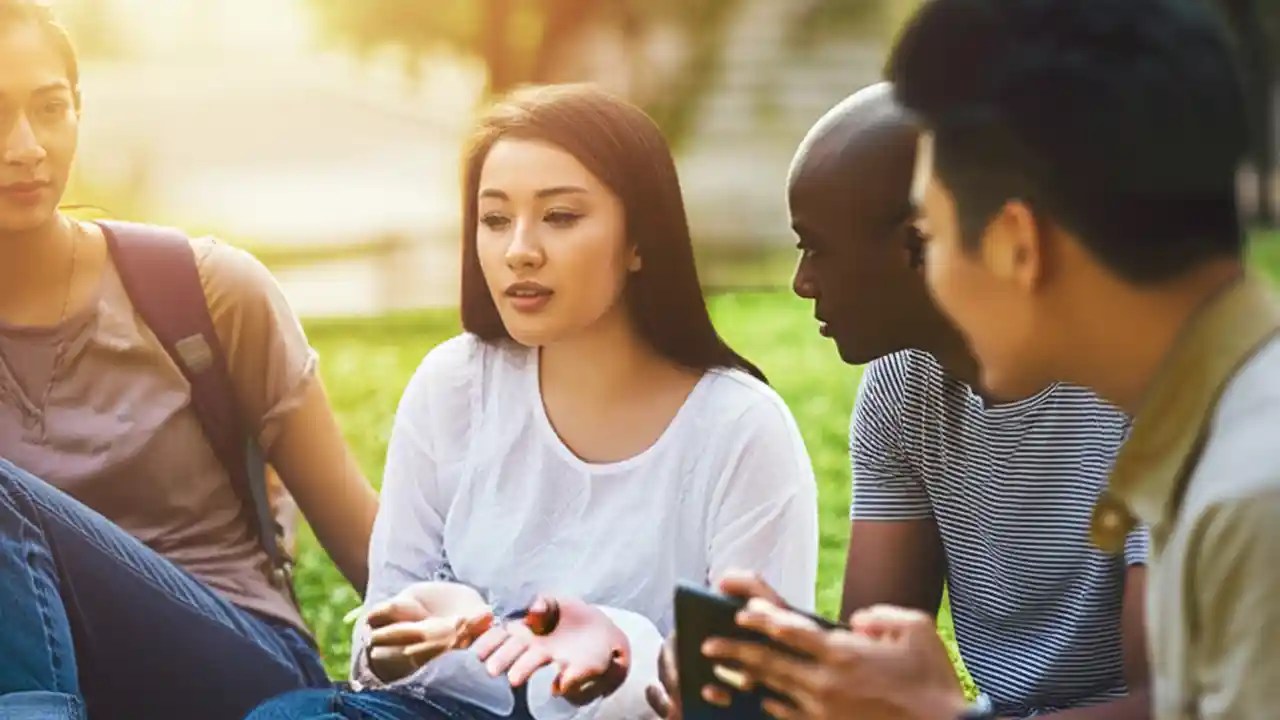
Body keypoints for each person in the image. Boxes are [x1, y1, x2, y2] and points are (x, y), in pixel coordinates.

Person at [696, 1, 1278, 719]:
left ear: (1015, 246)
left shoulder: (1254, 486)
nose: (930, 275)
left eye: (933, 235)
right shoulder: (1214, 422)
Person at [247, 83, 819, 720]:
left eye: (561, 216)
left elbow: (748, 699)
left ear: (639, 240)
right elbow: (375, 644)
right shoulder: (453, 386)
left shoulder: (741, 429)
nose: (520, 248)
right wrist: (426, 640)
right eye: (495, 219)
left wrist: (615, 650)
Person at [647, 83, 1151, 720]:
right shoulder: (905, 385)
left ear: (922, 243)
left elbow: (1181, 704)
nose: (802, 281)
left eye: (816, 246)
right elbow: (872, 646)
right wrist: (781, 664)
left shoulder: (1154, 390)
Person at [0, 2, 380, 718]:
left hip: (239, 666)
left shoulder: (202, 290)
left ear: (79, 111)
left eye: (49, 108)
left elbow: (376, 553)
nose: (25, 145)